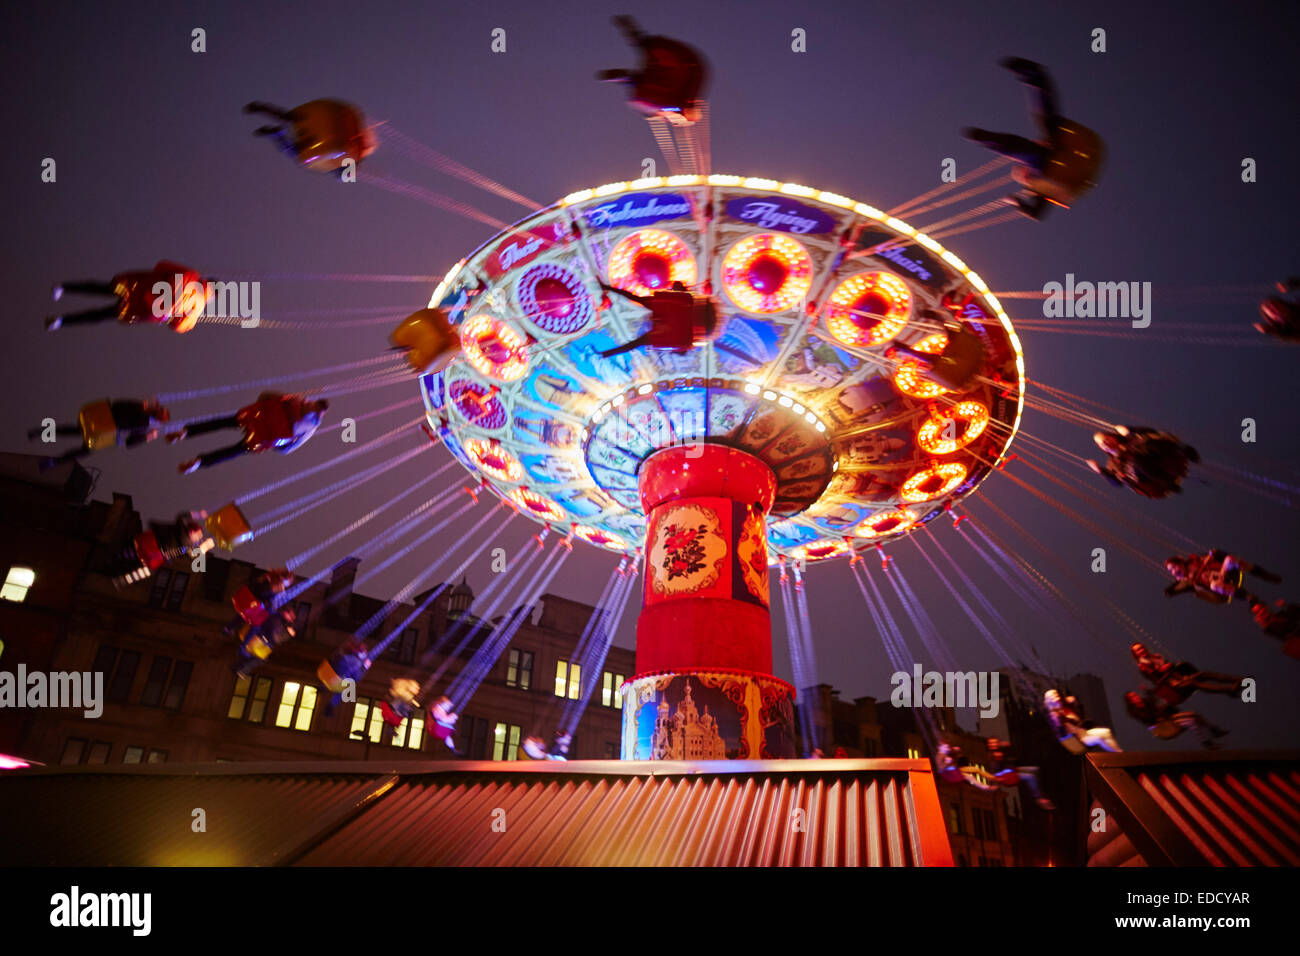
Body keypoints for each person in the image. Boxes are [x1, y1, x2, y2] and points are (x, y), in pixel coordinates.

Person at [963, 58, 1104, 220]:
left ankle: (1034, 76)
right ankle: (1035, 76)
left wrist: (1017, 202)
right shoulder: (1043, 181)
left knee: (1040, 135)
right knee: (1041, 134)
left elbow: (1037, 213)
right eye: (1023, 170)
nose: (1024, 170)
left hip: (1082, 150)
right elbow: (1037, 214)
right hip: (1079, 152)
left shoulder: (1044, 179)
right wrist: (1015, 202)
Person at [167, 392, 329, 474]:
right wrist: (274, 445)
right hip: (265, 437)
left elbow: (267, 394)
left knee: (223, 422)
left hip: (257, 416)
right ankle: (199, 462)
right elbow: (288, 449)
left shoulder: (297, 400)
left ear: (315, 401)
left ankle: (185, 432)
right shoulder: (311, 427)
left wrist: (259, 407)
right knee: (235, 451)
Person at [597, 16, 708, 126]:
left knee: (642, 89)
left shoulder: (656, 91)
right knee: (643, 89)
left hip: (677, 66)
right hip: (678, 66)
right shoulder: (670, 93)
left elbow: (636, 81)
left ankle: (627, 75)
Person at [47, 261, 208, 332]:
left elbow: (162, 265)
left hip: (139, 286)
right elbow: (177, 327)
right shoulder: (197, 309)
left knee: (102, 289)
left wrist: (159, 279)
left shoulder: (191, 275)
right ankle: (60, 321)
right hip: (142, 309)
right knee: (100, 315)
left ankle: (63, 288)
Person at [30, 398, 171, 471]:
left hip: (102, 421)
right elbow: (130, 442)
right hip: (106, 430)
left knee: (75, 432)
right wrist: (148, 437)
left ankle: (42, 434)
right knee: (83, 447)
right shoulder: (144, 421)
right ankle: (52, 461)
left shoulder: (141, 408)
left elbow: (117, 403)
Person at [245, 99, 376, 177]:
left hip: (322, 133)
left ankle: (268, 121)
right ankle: (275, 132)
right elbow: (348, 171)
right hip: (325, 137)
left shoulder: (342, 160)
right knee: (293, 127)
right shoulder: (352, 156)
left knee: (292, 119)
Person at [597, 281, 718, 356]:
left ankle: (606, 287)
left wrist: (680, 288)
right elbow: (682, 350)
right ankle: (605, 354)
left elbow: (679, 289)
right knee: (635, 344)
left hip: (670, 309)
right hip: (671, 319)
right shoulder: (686, 337)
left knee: (635, 298)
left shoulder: (687, 304)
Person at [1087, 425, 1198, 498]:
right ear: (1101, 448)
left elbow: (1152, 433)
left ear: (1113, 437)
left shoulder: (1132, 440)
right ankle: (1166, 480)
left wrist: (1130, 429)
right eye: (1102, 444)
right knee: (1137, 461)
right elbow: (1117, 483)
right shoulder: (1113, 463)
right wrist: (1101, 471)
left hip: (1162, 459)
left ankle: (1182, 450)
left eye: (1106, 439)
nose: (1106, 443)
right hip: (1149, 480)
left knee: (1147, 442)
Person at [111, 511, 212, 588]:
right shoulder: (183, 537)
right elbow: (191, 555)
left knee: (136, 557)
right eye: (198, 535)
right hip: (155, 548)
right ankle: (120, 575)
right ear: (192, 531)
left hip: (155, 548)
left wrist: (196, 514)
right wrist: (204, 548)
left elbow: (180, 516)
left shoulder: (185, 541)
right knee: (139, 560)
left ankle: (119, 570)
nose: (198, 538)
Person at [886, 319, 985, 391]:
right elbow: (934, 361)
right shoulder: (954, 379)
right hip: (955, 346)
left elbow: (934, 361)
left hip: (958, 344)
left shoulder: (957, 376)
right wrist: (904, 349)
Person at [1128, 642, 1243, 704]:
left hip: (1180, 677)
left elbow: (1170, 665)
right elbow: (1157, 681)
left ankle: (1236, 680)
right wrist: (1164, 671)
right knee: (1194, 683)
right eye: (1138, 650)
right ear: (1136, 654)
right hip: (1173, 685)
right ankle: (1230, 689)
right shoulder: (1143, 666)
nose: (1141, 650)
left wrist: (1170, 666)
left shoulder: (1155, 656)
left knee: (1204, 674)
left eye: (1141, 648)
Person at [1164, 549, 1281, 605]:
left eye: (1174, 567)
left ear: (1180, 562)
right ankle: (1247, 596)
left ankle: (1264, 575)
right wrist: (1171, 590)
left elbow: (1216, 554)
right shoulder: (1187, 580)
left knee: (1230, 559)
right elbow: (1174, 589)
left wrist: (1214, 553)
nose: (1174, 571)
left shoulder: (1196, 560)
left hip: (1225, 573)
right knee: (1215, 585)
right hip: (1220, 586)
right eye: (1171, 570)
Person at [1124, 688, 1227, 748]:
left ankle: (1210, 736)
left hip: (1169, 720)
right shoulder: (1137, 712)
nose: (1136, 697)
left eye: (1135, 695)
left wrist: (1149, 693)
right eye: (1133, 697)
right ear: (1131, 701)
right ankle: (1209, 739)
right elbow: (1151, 718)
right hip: (1162, 728)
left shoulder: (1147, 702)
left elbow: (1155, 700)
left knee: (1193, 717)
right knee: (1191, 719)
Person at [1043, 688, 1122, 752]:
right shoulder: (1054, 714)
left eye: (1056, 694)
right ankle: (1117, 755)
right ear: (1050, 701)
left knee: (1106, 732)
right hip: (1076, 740)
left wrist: (1071, 702)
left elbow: (1073, 709)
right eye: (1053, 696)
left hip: (1083, 733)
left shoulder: (1064, 708)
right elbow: (1062, 731)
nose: (1056, 697)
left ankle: (1119, 752)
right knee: (1098, 739)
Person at [232, 607, 298, 677]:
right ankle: (242, 670)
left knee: (259, 658)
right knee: (259, 658)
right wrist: (287, 632)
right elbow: (275, 635)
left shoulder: (280, 620)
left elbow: (277, 638)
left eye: (292, 618)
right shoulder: (277, 618)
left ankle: (239, 667)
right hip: (260, 639)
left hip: (262, 641)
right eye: (290, 616)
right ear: (286, 613)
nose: (291, 619)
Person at [1255, 277, 1300, 342]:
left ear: (1282, 303)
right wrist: (1271, 330)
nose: (1273, 307)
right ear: (1273, 318)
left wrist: (1292, 284)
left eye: (1272, 303)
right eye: (1269, 309)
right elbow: (1290, 336)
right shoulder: (1290, 330)